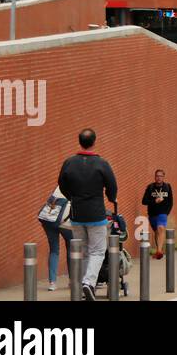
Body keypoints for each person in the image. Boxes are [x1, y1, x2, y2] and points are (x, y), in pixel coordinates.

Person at [57, 128, 118, 300]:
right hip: (96, 214)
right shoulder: (102, 163)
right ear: (94, 141)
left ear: (79, 141)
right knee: (98, 250)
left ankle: (83, 287)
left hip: (77, 215)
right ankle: (89, 283)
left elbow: (61, 183)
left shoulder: (69, 162)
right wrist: (111, 197)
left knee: (82, 251)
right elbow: (112, 186)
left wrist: (72, 197)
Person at [36, 186, 73, 292]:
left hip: (48, 221)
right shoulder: (77, 188)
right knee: (71, 249)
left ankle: (52, 283)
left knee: (54, 250)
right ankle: (72, 280)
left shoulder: (59, 187)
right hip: (65, 223)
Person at [141, 169, 174, 259]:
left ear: (163, 177)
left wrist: (167, 213)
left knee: (161, 228)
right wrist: (155, 201)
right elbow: (144, 201)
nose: (159, 177)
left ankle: (159, 251)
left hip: (163, 213)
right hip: (152, 214)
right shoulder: (150, 187)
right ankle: (159, 249)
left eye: (160, 176)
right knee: (157, 232)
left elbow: (171, 202)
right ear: (155, 177)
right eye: (157, 176)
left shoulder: (167, 187)